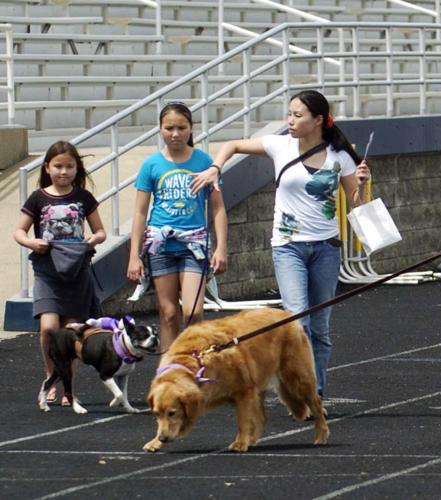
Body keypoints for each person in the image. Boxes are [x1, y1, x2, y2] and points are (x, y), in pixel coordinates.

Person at [189, 90, 370, 399]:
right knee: (299, 318)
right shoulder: (279, 145)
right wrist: (215, 167)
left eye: (298, 115)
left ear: (318, 120)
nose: (290, 120)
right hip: (288, 246)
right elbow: (232, 145)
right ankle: (295, 387)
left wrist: (362, 185)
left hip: (326, 247)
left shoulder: (340, 156)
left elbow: (357, 205)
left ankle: (316, 392)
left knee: (321, 327)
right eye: (289, 113)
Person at [128, 103, 229, 348]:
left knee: (193, 312)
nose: (175, 133)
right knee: (169, 312)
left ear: (191, 128)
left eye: (181, 127)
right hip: (161, 246)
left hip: (193, 245)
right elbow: (140, 212)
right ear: (160, 129)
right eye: (169, 128)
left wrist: (221, 247)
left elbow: (217, 207)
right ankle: (169, 370)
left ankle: (196, 362)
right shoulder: (151, 165)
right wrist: (134, 256)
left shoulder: (204, 160)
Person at [13, 141, 107, 405]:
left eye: (69, 166)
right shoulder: (39, 198)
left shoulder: (83, 198)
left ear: (77, 169)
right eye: (58, 166)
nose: (63, 172)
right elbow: (19, 231)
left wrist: (93, 239)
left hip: (76, 271)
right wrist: (32, 242)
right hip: (47, 271)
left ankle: (67, 386)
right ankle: (50, 373)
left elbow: (101, 231)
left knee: (70, 331)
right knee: (48, 328)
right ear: (47, 167)